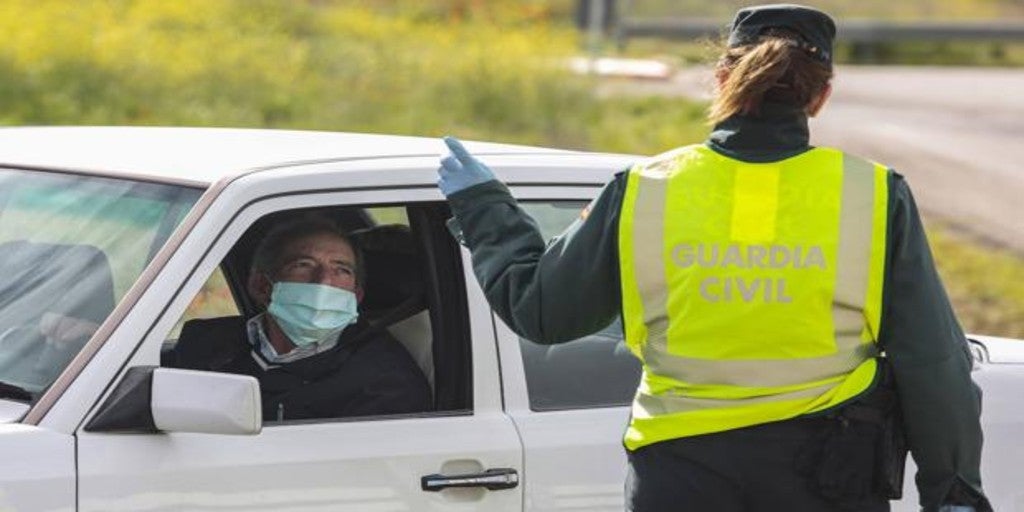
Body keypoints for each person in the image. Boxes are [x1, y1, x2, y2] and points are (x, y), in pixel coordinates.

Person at [437, 4, 990, 512]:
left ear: (723, 80)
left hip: (679, 474)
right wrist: (953, 489)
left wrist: (485, 207)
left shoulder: (645, 188)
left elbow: (543, 312)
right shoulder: (871, 193)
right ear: (821, 96)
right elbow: (933, 360)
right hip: (827, 472)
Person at [174, 217, 432, 422]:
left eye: (341, 270)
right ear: (261, 285)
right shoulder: (203, 343)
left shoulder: (385, 382)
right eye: (304, 265)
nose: (323, 281)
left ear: (356, 295)